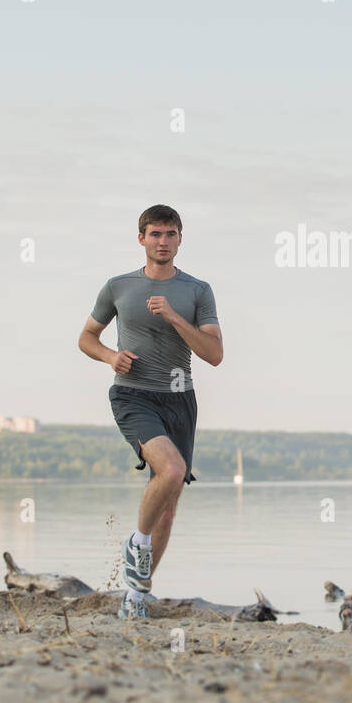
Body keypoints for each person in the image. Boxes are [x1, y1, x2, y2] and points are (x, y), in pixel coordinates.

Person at [78, 204, 223, 620]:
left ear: (180, 239)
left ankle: (137, 594)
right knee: (172, 469)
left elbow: (214, 354)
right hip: (134, 395)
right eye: (155, 234)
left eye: (170, 234)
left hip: (180, 399)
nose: (163, 242)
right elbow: (87, 336)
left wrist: (175, 317)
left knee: (170, 502)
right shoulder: (118, 286)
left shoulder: (197, 291)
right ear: (141, 238)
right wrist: (109, 356)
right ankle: (138, 542)